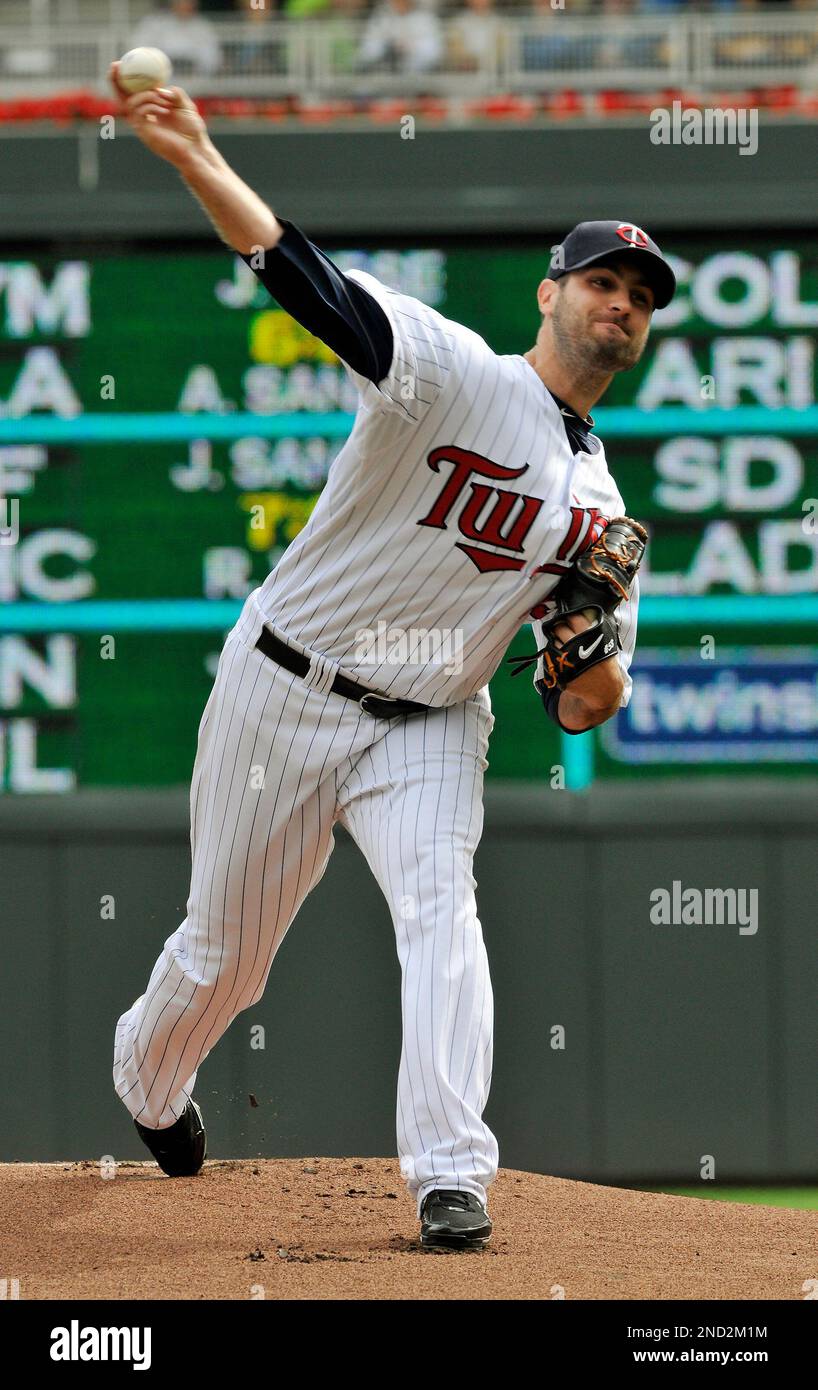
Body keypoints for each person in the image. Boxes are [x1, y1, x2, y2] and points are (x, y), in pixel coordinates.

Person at [107, 61, 675, 1251]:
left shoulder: (600, 506)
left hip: (425, 720)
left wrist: (582, 657)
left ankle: (449, 1175)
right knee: (226, 956)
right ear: (550, 293)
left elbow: (586, 708)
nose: (620, 302)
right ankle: (149, 1084)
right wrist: (194, 154)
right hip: (285, 680)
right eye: (601, 279)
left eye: (639, 293)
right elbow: (305, 283)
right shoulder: (449, 370)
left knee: (440, 913)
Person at [130, 0, 222, 78]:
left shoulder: (203, 26)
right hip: (158, 79)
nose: (185, 5)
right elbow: (138, 49)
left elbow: (212, 57)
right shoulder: (154, 22)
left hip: (195, 83)